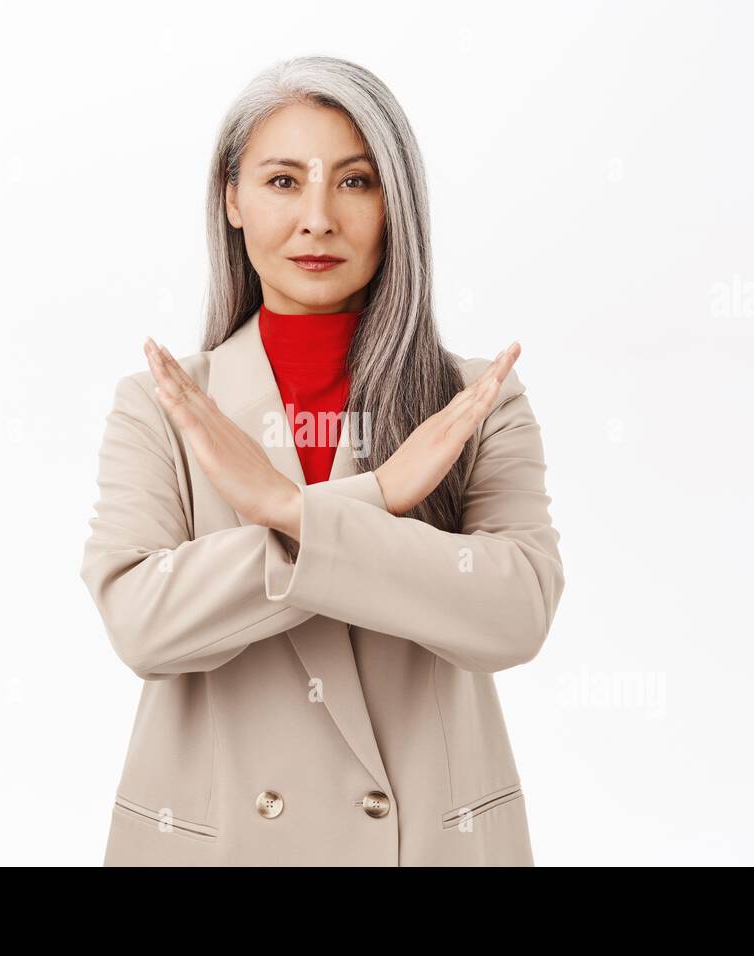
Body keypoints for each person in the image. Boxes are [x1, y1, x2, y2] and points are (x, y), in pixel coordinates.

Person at [79, 55, 565, 866]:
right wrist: (377, 497)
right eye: (281, 181)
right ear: (230, 198)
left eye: (355, 182)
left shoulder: (473, 401)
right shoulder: (164, 403)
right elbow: (143, 626)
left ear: (396, 205)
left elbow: (516, 613)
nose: (317, 219)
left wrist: (293, 511)